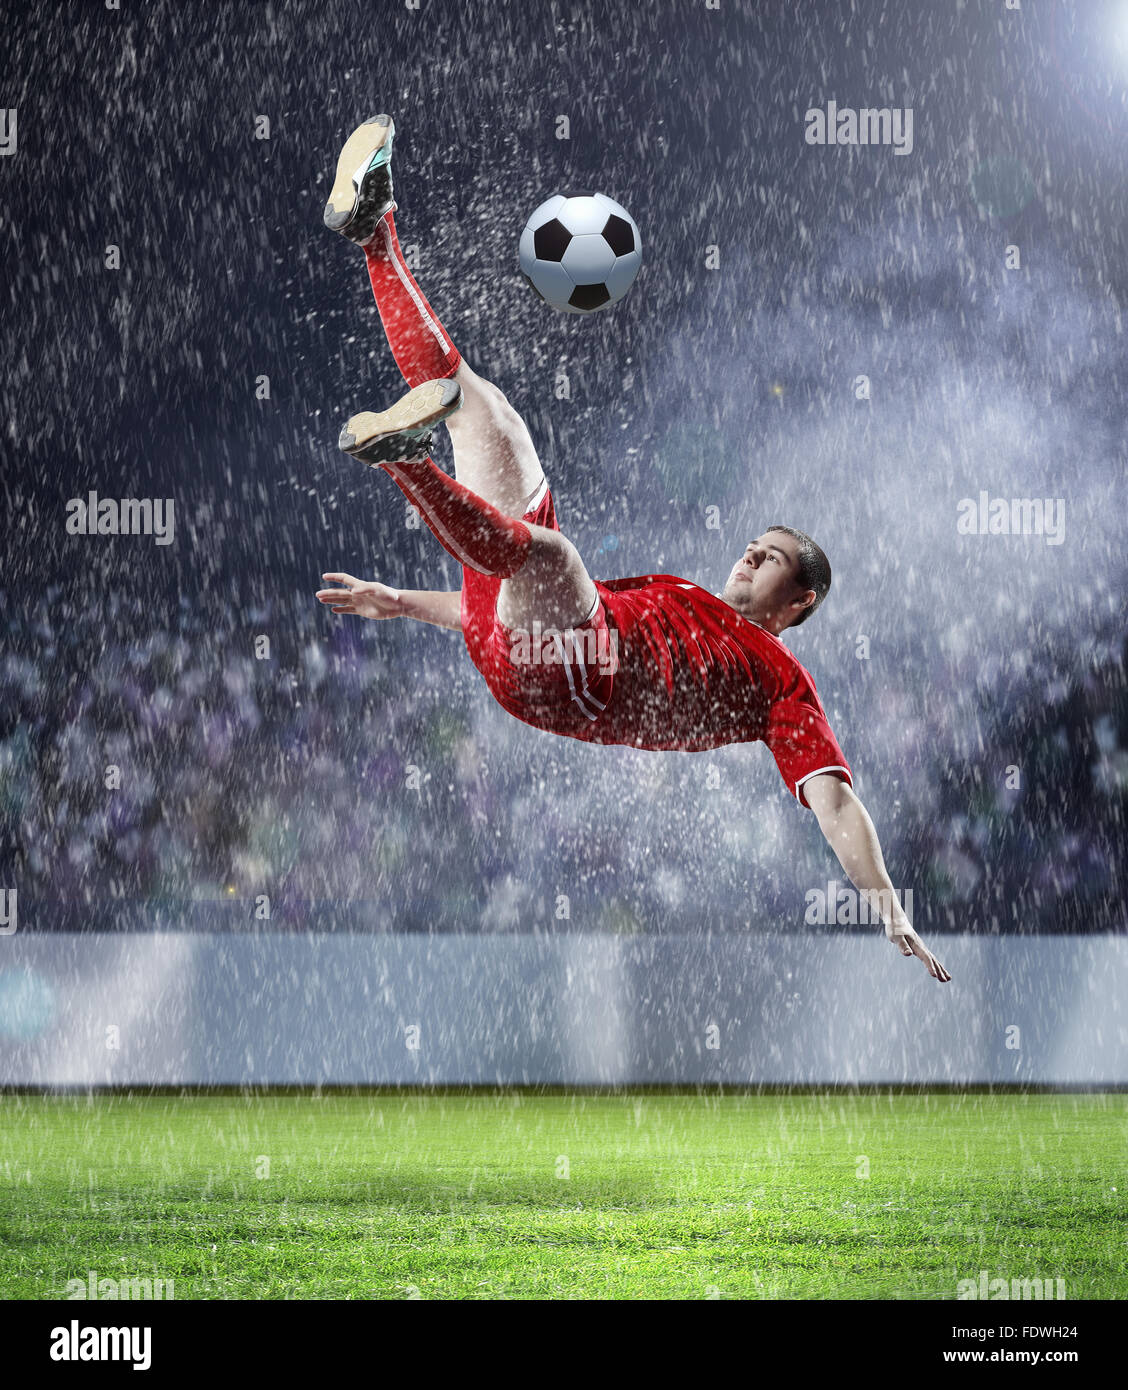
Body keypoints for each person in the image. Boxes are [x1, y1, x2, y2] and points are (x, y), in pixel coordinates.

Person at [315, 115, 950, 983]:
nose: (747, 558)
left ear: (798, 603)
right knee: (482, 409)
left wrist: (887, 905)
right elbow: (512, 613)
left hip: (566, 677)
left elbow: (835, 801)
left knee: (554, 558)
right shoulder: (681, 595)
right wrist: (401, 601)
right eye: (753, 544)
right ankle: (374, 236)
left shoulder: (779, 683)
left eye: (769, 561)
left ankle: (408, 463)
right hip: (522, 636)